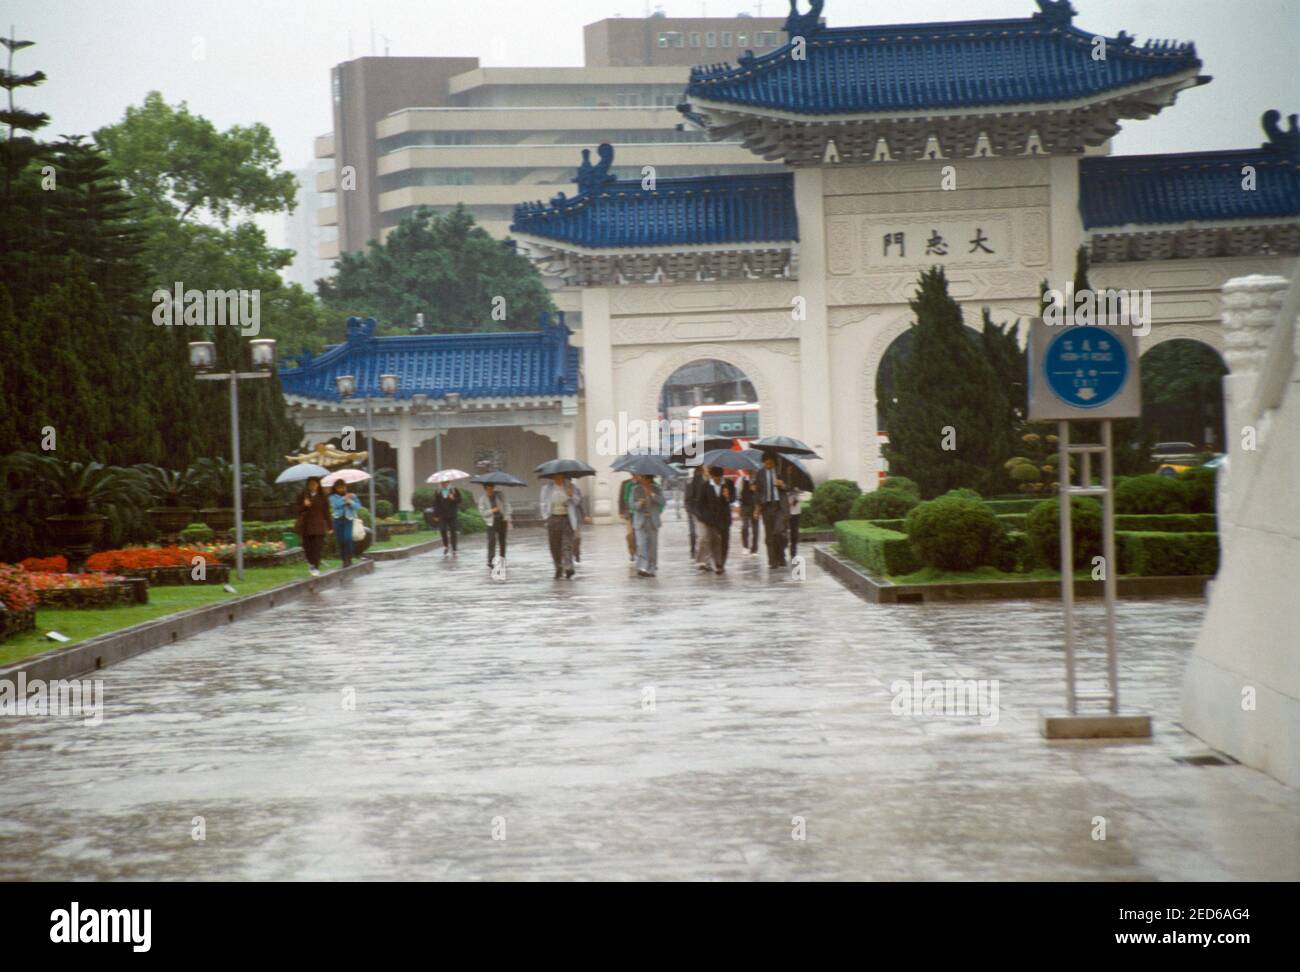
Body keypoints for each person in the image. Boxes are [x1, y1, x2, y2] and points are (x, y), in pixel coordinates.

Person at [539, 474, 582, 579]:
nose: (559, 478)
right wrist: (546, 517)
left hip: (567, 518)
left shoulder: (571, 487)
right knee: (555, 546)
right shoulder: (547, 489)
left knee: (567, 544)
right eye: (556, 476)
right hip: (553, 519)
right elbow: (543, 503)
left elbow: (577, 501)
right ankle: (558, 566)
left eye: (561, 476)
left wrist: (571, 495)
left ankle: (568, 567)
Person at [754, 451, 788, 568]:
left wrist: (782, 485)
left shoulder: (780, 472)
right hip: (766, 507)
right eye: (766, 463)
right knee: (769, 535)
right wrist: (757, 509)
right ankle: (772, 561)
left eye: (771, 464)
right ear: (763, 463)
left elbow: (789, 486)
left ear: (774, 463)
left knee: (779, 533)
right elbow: (757, 492)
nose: (768, 466)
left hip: (779, 507)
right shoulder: (760, 474)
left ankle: (781, 555)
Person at [700, 465, 735, 573]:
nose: (717, 480)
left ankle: (721, 563)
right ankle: (717, 563)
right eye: (715, 478)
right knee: (714, 542)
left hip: (725, 518)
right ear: (711, 476)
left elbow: (733, 498)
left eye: (719, 478)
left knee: (725, 541)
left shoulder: (728, 484)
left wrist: (727, 496)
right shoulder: (705, 486)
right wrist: (705, 517)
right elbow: (701, 504)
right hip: (711, 520)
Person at [630, 473, 665, 577]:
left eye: (647, 479)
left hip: (653, 520)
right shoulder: (635, 489)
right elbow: (631, 504)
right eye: (643, 478)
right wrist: (639, 503)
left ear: (650, 479)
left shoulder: (657, 489)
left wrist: (652, 494)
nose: (644, 481)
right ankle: (642, 567)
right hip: (640, 521)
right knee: (641, 544)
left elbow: (662, 502)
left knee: (652, 546)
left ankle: (652, 568)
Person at [294, 476, 330, 576]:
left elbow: (326, 513)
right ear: (307, 485)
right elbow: (296, 510)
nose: (313, 486)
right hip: (306, 527)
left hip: (319, 527)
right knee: (308, 548)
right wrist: (304, 505)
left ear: (318, 485)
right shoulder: (303, 496)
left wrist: (330, 527)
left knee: (317, 548)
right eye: (310, 484)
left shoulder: (322, 497)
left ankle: (316, 567)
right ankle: (311, 563)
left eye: (314, 484)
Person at [477, 483, 512, 569]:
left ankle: (502, 558)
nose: (490, 490)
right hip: (491, 522)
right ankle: (490, 560)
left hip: (501, 520)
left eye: (491, 488)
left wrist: (507, 517)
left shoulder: (500, 495)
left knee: (502, 541)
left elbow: (507, 505)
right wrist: (492, 510)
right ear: (485, 489)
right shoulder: (482, 499)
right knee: (491, 541)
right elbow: (482, 513)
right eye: (488, 489)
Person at [328, 479, 359, 567]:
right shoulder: (332, 497)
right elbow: (335, 505)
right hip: (337, 520)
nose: (341, 489)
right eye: (339, 488)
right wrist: (344, 499)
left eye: (343, 487)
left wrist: (351, 502)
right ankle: (344, 560)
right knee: (340, 541)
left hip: (348, 519)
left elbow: (358, 506)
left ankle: (349, 557)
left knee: (347, 539)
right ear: (335, 488)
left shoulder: (352, 496)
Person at [433, 484, 461, 556]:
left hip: (452, 514)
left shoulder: (454, 489)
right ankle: (446, 546)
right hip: (442, 515)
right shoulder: (438, 491)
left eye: (446, 482)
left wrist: (453, 498)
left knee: (453, 531)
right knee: (442, 529)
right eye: (443, 482)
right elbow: (436, 503)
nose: (444, 483)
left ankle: (454, 548)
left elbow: (460, 500)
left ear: (448, 482)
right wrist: (436, 515)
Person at [685, 464, 706, 558]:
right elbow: (687, 499)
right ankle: (693, 550)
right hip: (694, 510)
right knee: (694, 532)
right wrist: (690, 510)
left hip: (700, 510)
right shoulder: (691, 483)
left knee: (699, 533)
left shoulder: (704, 482)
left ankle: (696, 550)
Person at [738, 474, 760, 555]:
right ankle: (745, 546)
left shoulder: (758, 479)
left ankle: (754, 549)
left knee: (755, 529)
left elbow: (761, 492)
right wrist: (738, 505)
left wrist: (756, 490)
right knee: (745, 526)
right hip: (745, 506)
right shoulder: (742, 479)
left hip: (755, 506)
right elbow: (738, 493)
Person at [785, 469, 804, 561]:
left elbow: (800, 494)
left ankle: (793, 551)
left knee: (794, 532)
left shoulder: (798, 479)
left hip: (795, 511)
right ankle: (784, 547)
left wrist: (794, 500)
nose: (790, 470)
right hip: (785, 510)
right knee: (782, 531)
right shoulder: (783, 478)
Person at [618, 477, 638, 562]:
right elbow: (621, 498)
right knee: (630, 534)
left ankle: (639, 551)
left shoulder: (642, 483)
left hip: (638, 511)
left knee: (638, 533)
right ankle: (632, 552)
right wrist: (621, 511)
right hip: (628, 513)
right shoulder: (625, 483)